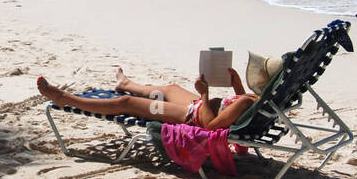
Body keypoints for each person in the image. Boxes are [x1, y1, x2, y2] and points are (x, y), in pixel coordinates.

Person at [36, 65, 258, 131]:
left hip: (192, 116)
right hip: (200, 106)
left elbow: (210, 126)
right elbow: (240, 108)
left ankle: (67, 99)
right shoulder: (258, 100)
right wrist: (236, 83)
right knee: (170, 88)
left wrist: (204, 93)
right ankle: (127, 84)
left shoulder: (251, 101)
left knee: (127, 104)